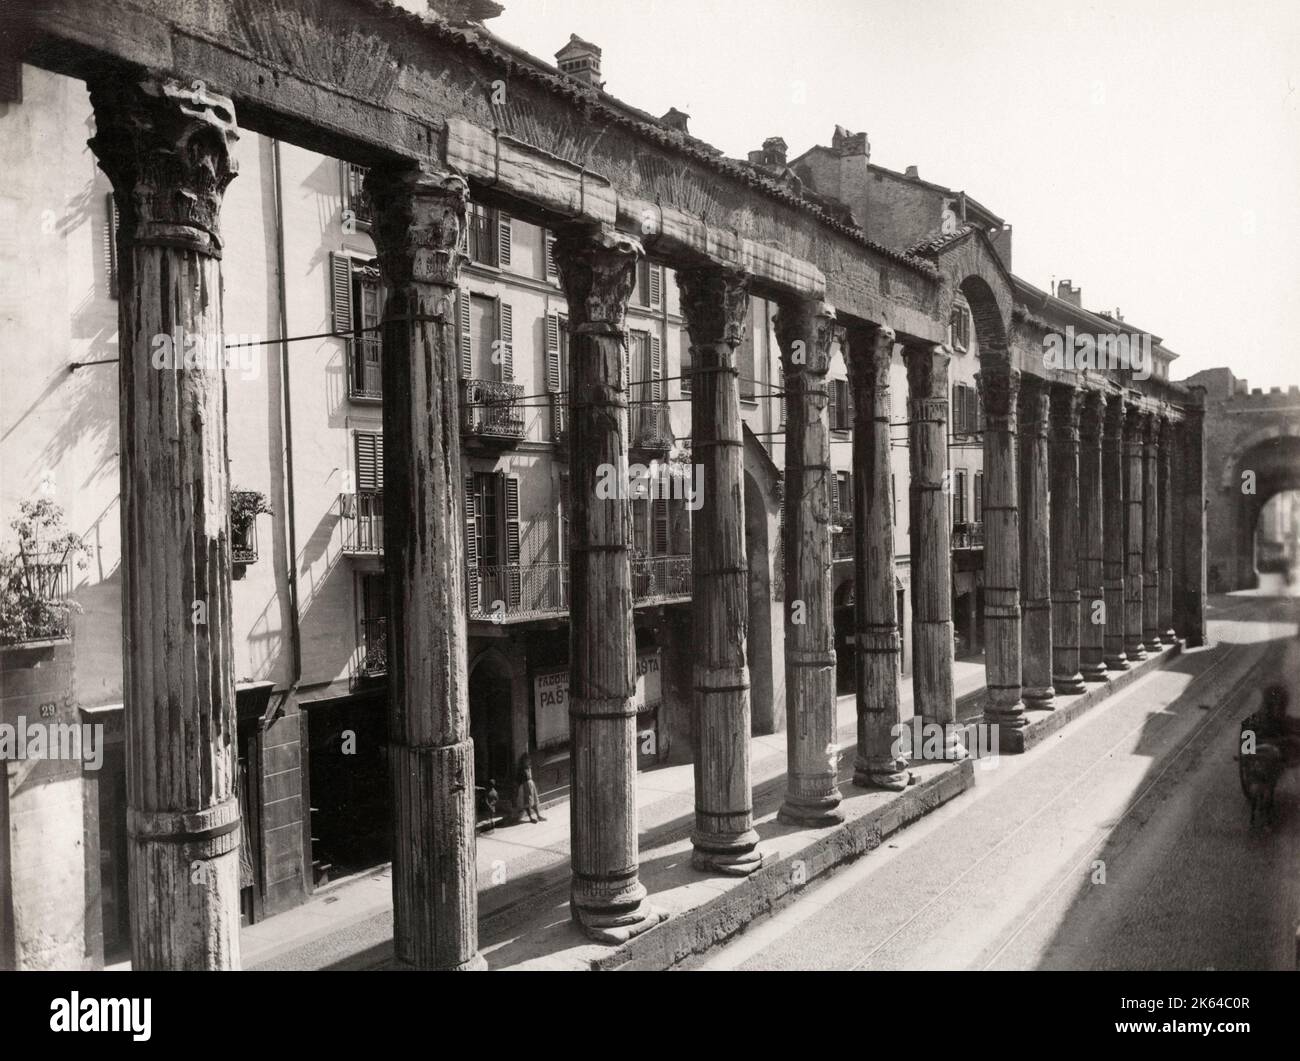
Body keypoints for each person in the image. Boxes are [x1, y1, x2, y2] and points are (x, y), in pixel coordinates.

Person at [515, 752, 545, 824]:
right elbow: (518, 779)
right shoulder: (521, 769)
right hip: (525, 786)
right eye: (527, 760)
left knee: (534, 800)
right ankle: (531, 817)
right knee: (527, 802)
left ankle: (538, 815)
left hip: (531, 784)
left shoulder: (529, 767)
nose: (528, 761)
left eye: (529, 760)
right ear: (523, 761)